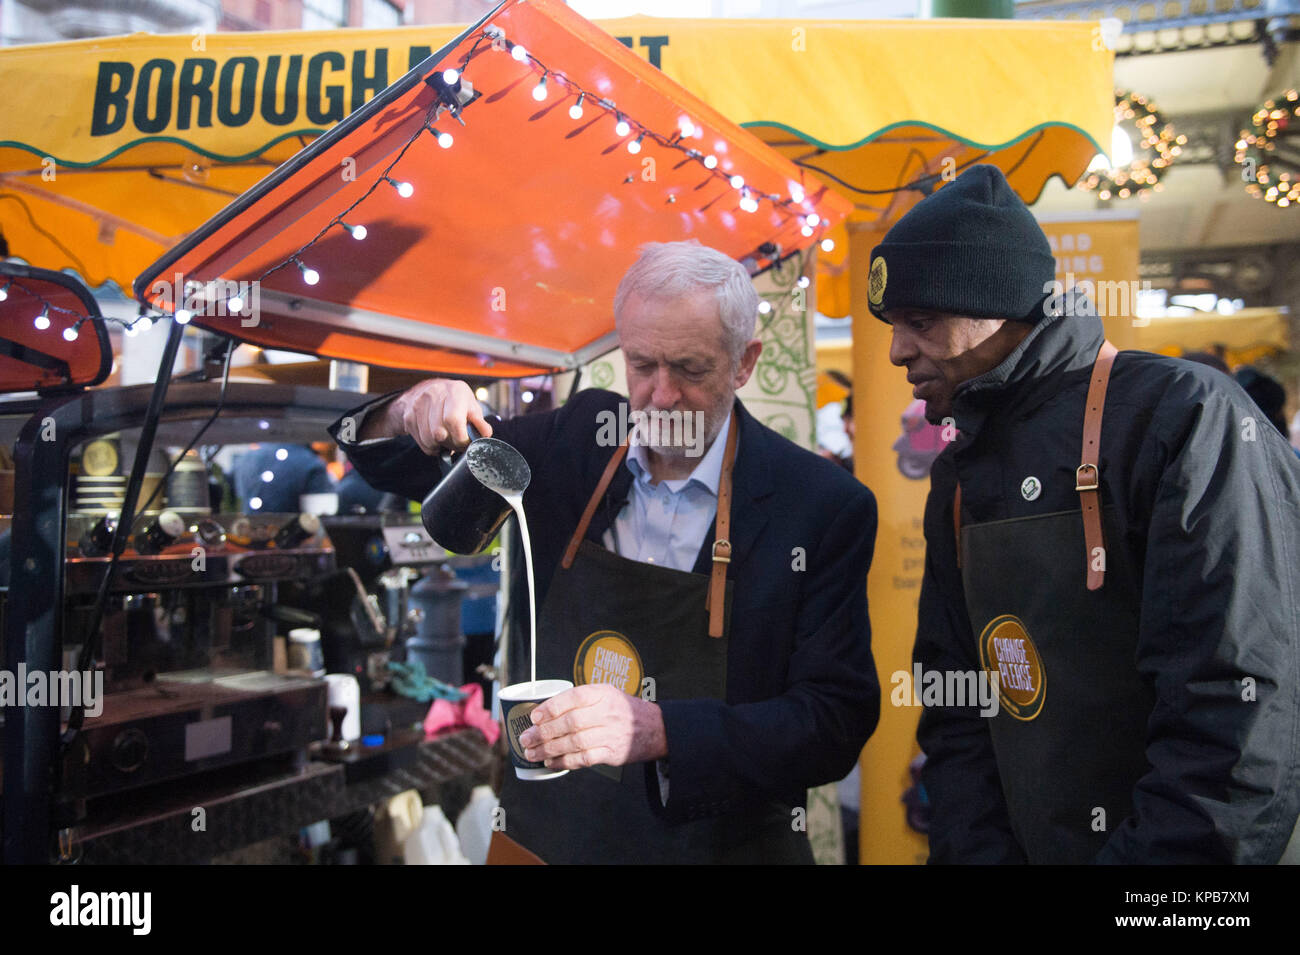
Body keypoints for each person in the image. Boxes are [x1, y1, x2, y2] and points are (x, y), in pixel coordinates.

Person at [328, 240, 879, 864]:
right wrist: (409, 411)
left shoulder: (818, 505)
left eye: (691, 369)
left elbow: (832, 722)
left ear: (745, 362)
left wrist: (663, 731)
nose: (661, 396)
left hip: (721, 845)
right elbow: (406, 466)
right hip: (552, 837)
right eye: (643, 365)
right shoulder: (578, 440)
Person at [870, 164, 1300, 864]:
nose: (897, 351)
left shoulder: (1183, 420)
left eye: (921, 321)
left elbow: (1237, 720)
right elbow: (959, 715)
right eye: (892, 326)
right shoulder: (956, 471)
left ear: (999, 305)